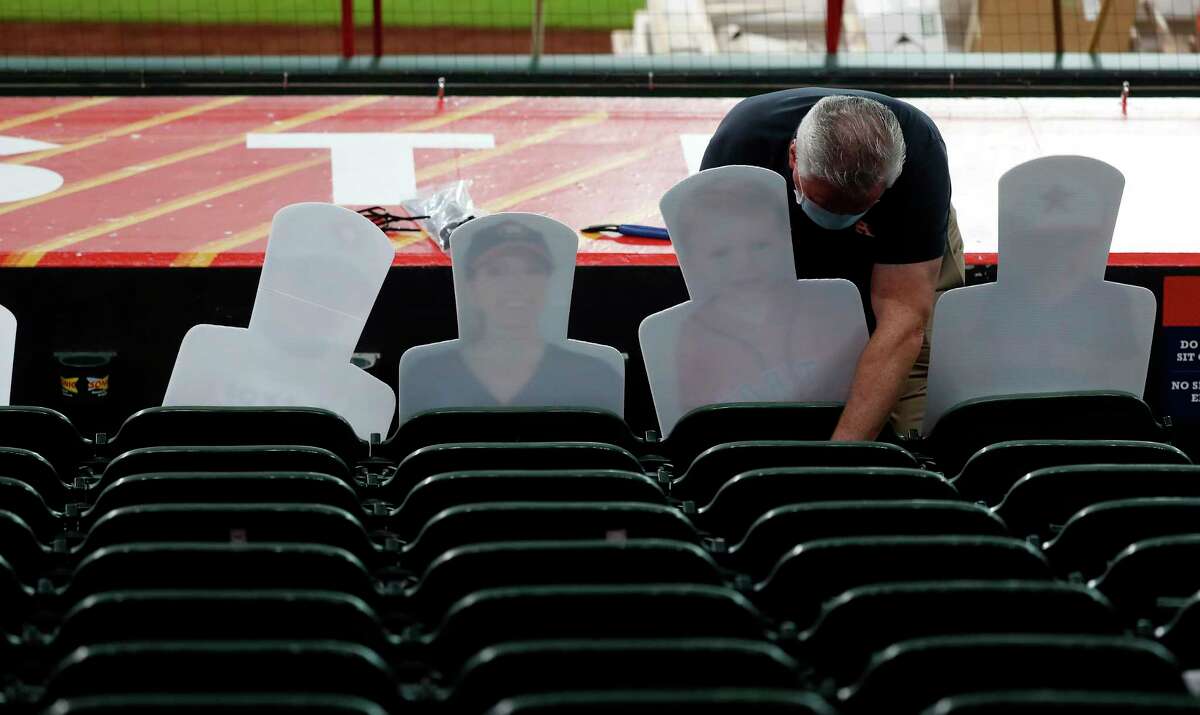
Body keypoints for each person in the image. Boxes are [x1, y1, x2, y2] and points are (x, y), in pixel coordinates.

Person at [700, 88, 966, 438]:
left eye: (854, 208)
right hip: (773, 233)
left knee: (918, 394)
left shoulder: (920, 157)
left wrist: (842, 461)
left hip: (896, 244)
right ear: (793, 156)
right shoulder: (741, 149)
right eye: (825, 203)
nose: (835, 220)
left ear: (890, 180)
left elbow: (903, 323)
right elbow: (720, 302)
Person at [398, 217, 624, 421]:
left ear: (549, 283)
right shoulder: (425, 375)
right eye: (496, 272)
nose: (515, 285)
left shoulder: (594, 374)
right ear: (470, 286)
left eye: (532, 271)